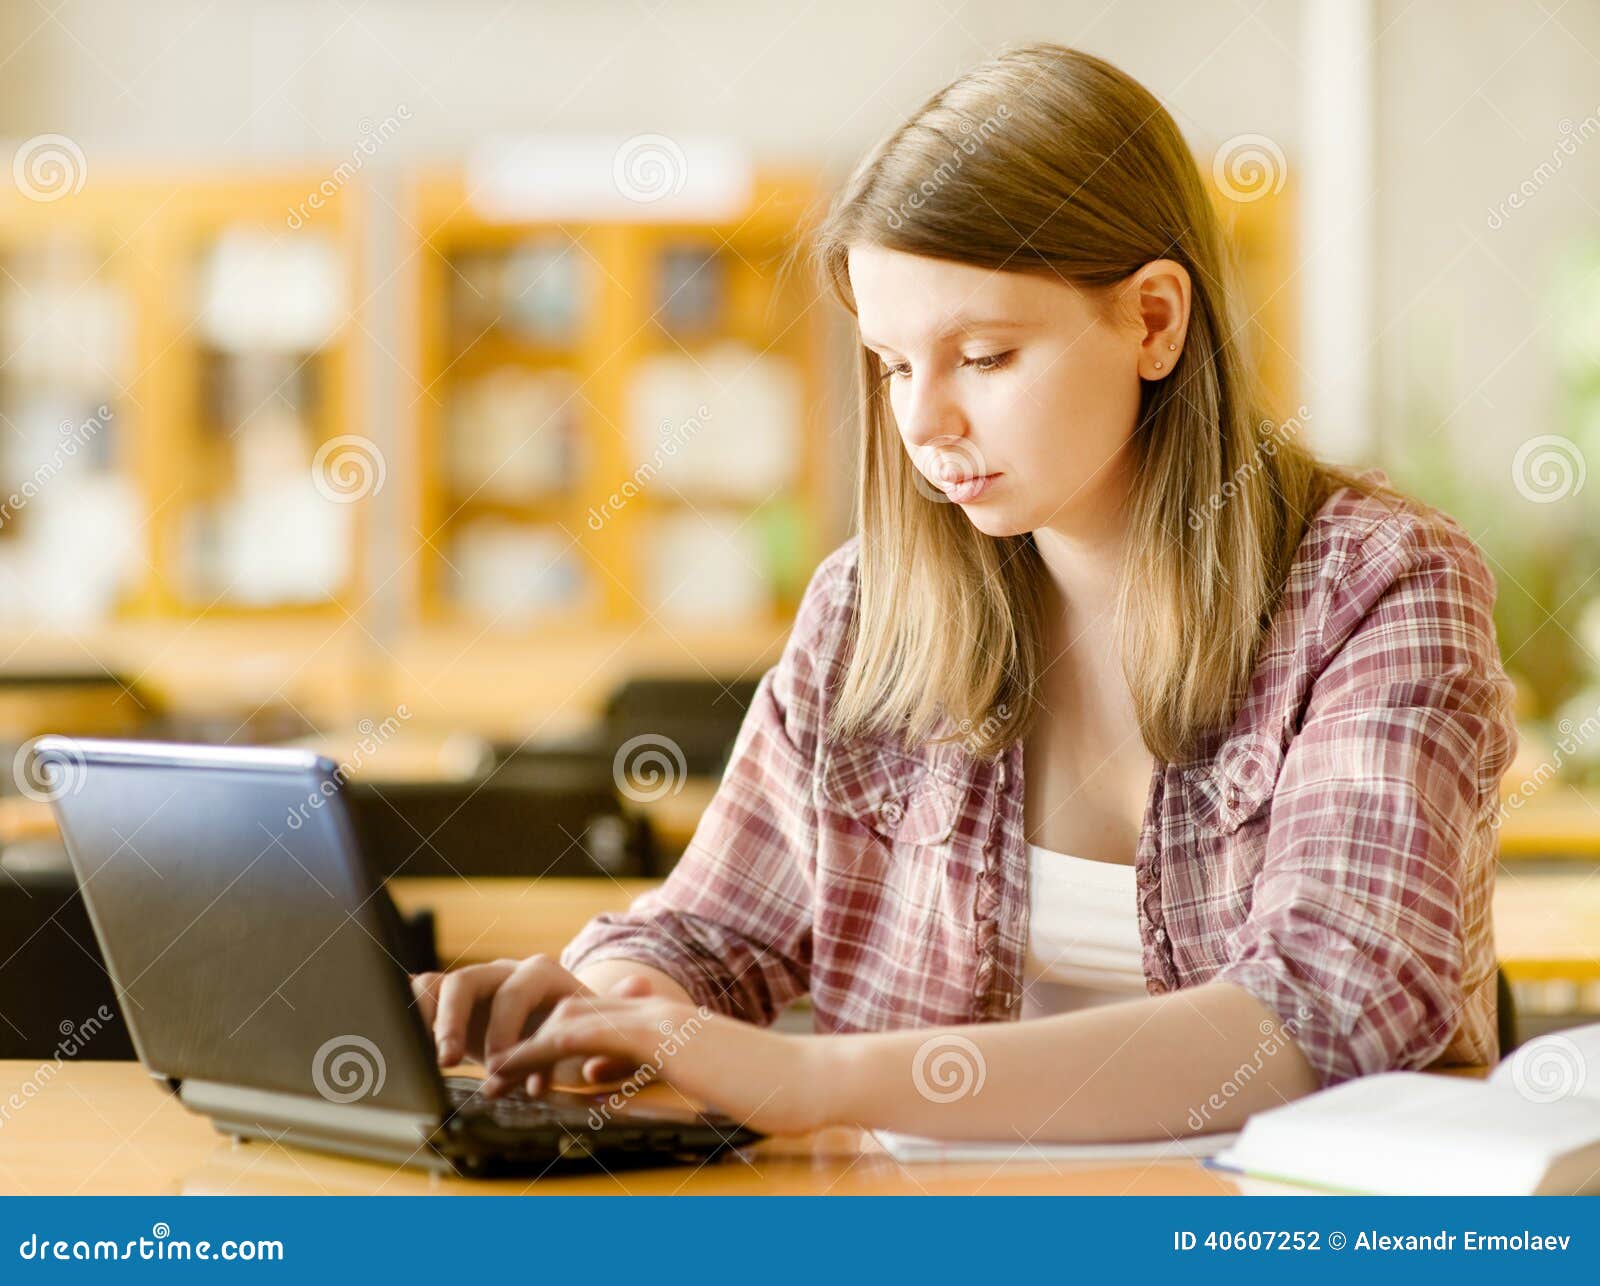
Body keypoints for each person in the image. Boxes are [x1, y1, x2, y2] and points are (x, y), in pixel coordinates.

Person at [411, 42, 1517, 1143]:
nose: (923, 423)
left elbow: (1323, 1012)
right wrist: (620, 998)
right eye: (894, 364)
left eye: (982, 357)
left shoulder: (1378, 586)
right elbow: (708, 933)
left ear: (1152, 322)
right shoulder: (865, 609)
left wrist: (811, 1080)